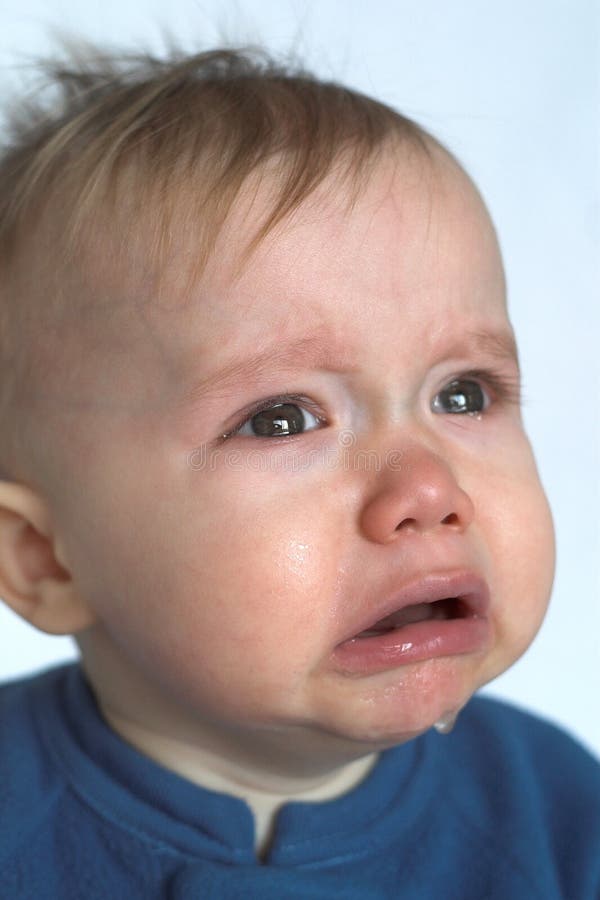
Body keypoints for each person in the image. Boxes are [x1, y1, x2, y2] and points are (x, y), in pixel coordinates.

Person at [0, 43, 598, 899]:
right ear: (44, 559)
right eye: (280, 418)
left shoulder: (558, 814)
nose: (430, 489)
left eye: (463, 394)